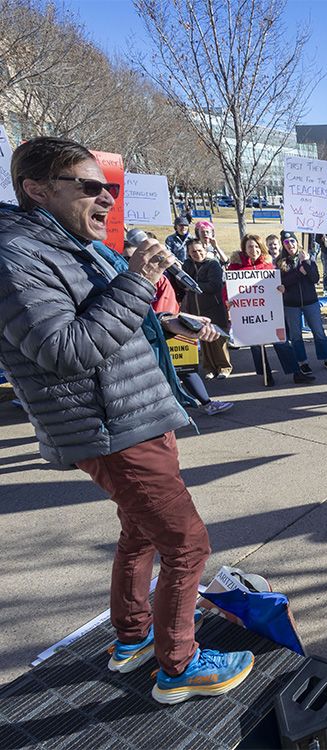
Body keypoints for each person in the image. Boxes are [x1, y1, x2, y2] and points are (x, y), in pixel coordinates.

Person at [0, 137, 253, 703]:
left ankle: (132, 639)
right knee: (187, 544)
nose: (106, 199)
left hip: (133, 413)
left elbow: (106, 320)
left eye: (108, 188)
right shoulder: (16, 257)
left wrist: (168, 323)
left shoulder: (70, 246)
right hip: (109, 425)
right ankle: (178, 667)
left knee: (140, 534)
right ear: (36, 190)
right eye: (89, 187)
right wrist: (138, 280)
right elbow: (63, 348)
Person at [123, 236, 232, 414]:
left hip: (165, 331)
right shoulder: (120, 280)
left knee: (185, 369)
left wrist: (160, 321)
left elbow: (165, 307)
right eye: (126, 259)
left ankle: (206, 403)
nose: (129, 262)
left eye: (132, 258)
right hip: (135, 338)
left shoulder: (161, 280)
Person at [227, 234, 301, 385]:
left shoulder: (268, 266)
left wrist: (281, 288)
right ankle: (266, 375)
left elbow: (275, 286)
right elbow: (228, 288)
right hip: (248, 314)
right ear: (244, 248)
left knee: (281, 342)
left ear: (261, 248)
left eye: (256, 246)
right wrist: (227, 301)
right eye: (249, 246)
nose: (253, 250)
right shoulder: (235, 267)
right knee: (256, 346)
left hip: (269, 313)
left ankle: (296, 373)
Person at [277, 230, 327, 376]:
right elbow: (283, 282)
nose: (290, 245)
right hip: (291, 304)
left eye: (292, 241)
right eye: (286, 242)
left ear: (297, 243)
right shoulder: (280, 262)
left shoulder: (308, 258)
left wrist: (307, 263)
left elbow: (315, 278)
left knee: (318, 332)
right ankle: (302, 362)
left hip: (311, 302)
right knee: (296, 336)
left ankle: (326, 358)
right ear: (283, 246)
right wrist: (299, 272)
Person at [180, 238, 232, 379]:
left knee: (217, 339)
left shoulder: (213, 264)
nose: (197, 254)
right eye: (193, 251)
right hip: (195, 309)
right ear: (189, 253)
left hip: (213, 308)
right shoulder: (187, 265)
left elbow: (214, 286)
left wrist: (193, 286)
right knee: (203, 339)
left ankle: (224, 367)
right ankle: (209, 368)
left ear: (205, 250)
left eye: (200, 250)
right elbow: (181, 281)